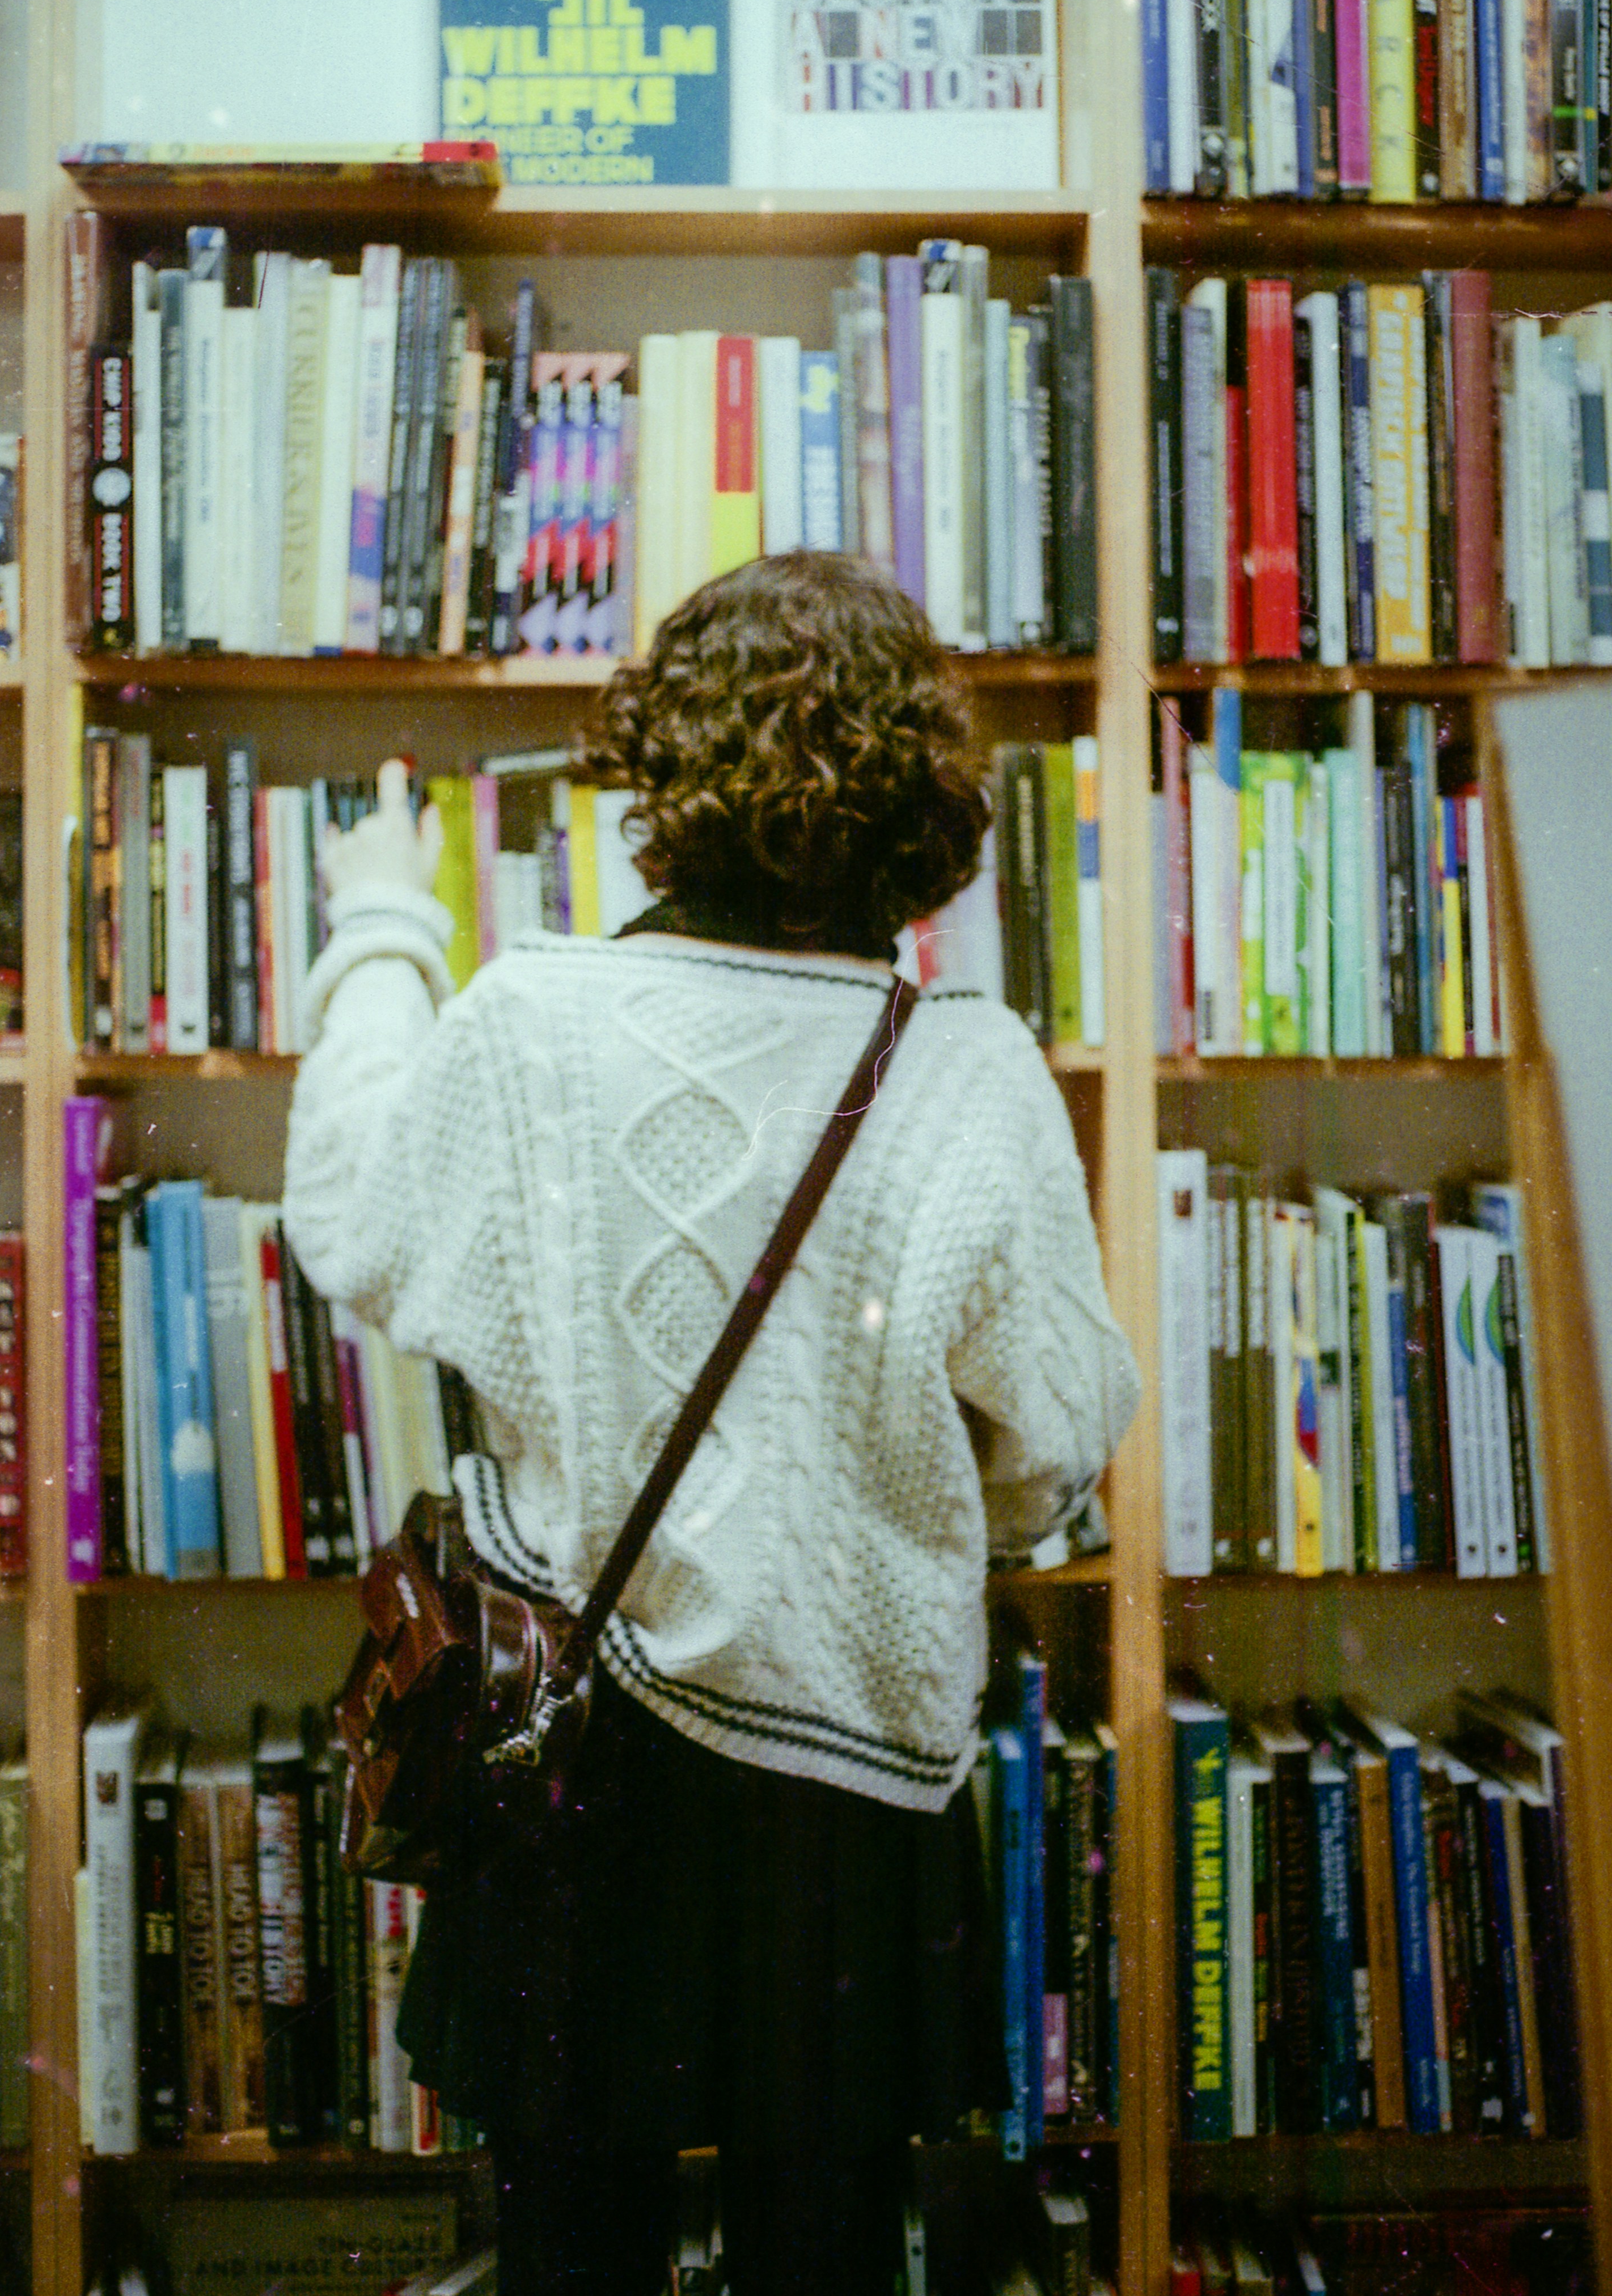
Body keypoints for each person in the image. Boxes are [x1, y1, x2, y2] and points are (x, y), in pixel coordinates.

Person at [282, 550, 1140, 2295]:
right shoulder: (969, 1064)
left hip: (574, 1773)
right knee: (827, 2257)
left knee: (572, 2261)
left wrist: (381, 919)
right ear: (925, 795)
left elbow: (353, 1222)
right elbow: (1057, 1444)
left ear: (661, 773)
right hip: (849, 1808)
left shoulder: (530, 1022)